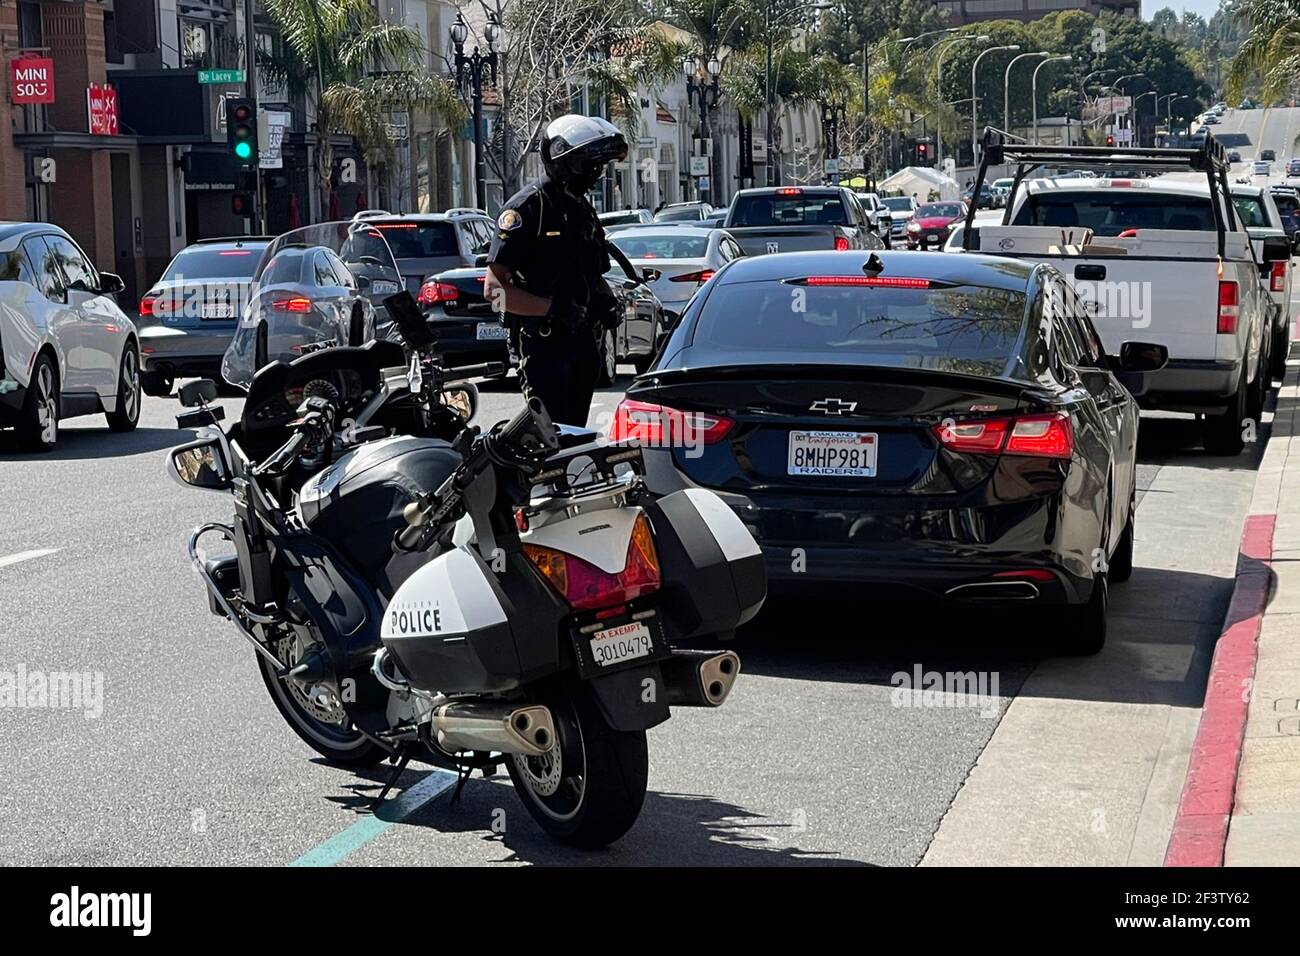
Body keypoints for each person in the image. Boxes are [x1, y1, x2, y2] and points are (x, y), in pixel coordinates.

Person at [484, 114, 628, 426]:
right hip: (543, 344)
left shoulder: (582, 208)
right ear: (561, 161)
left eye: (599, 165)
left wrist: (606, 301)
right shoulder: (526, 209)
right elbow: (495, 291)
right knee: (550, 434)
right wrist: (553, 309)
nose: (595, 172)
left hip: (584, 342)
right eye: (588, 165)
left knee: (575, 433)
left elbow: (594, 274)